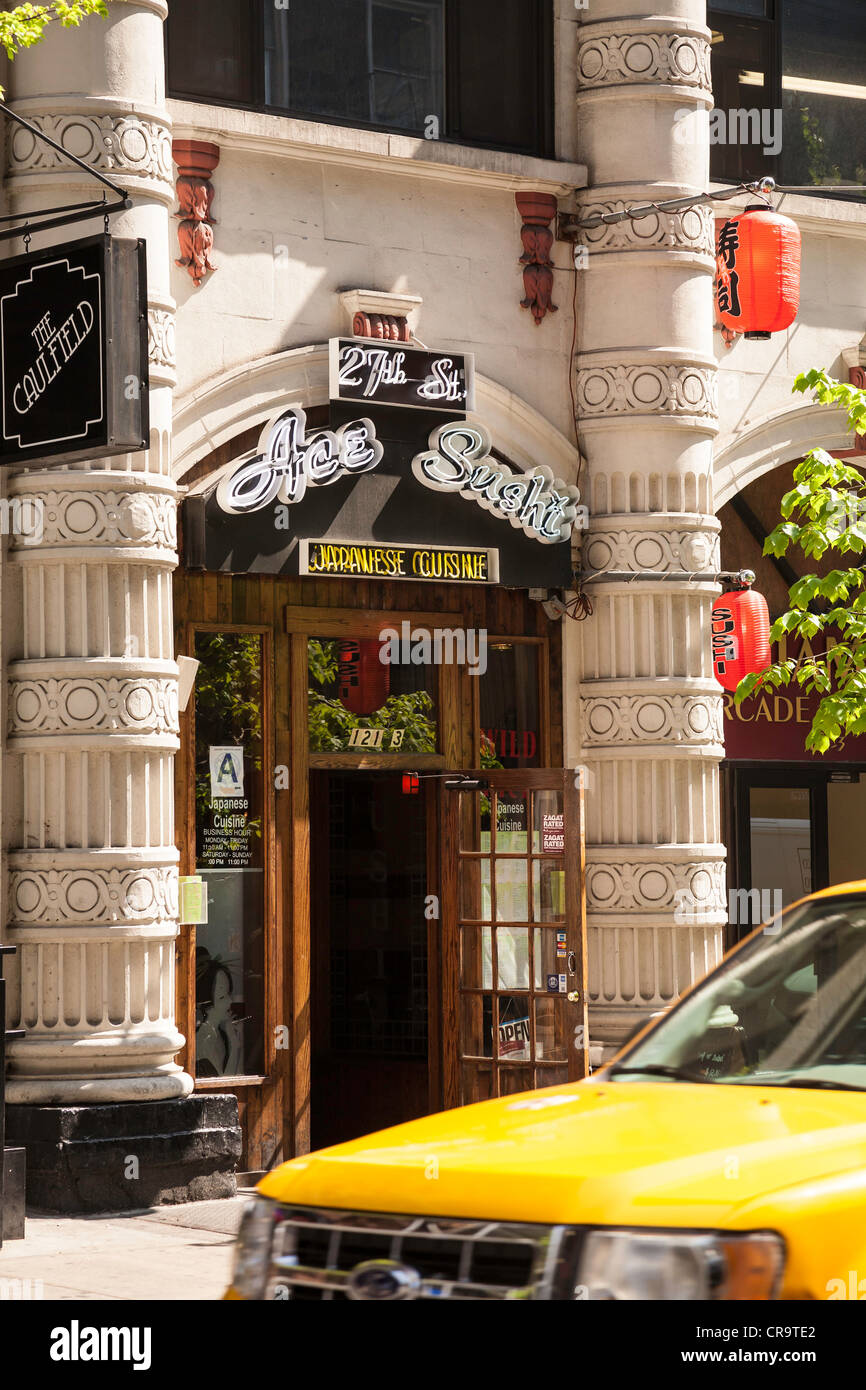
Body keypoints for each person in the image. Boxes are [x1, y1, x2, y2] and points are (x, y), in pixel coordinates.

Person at [195, 947, 243, 1076]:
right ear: (204, 1002)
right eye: (222, 997)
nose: (229, 1002)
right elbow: (223, 1086)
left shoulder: (222, 1033)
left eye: (228, 993)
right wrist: (234, 1047)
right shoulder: (202, 1041)